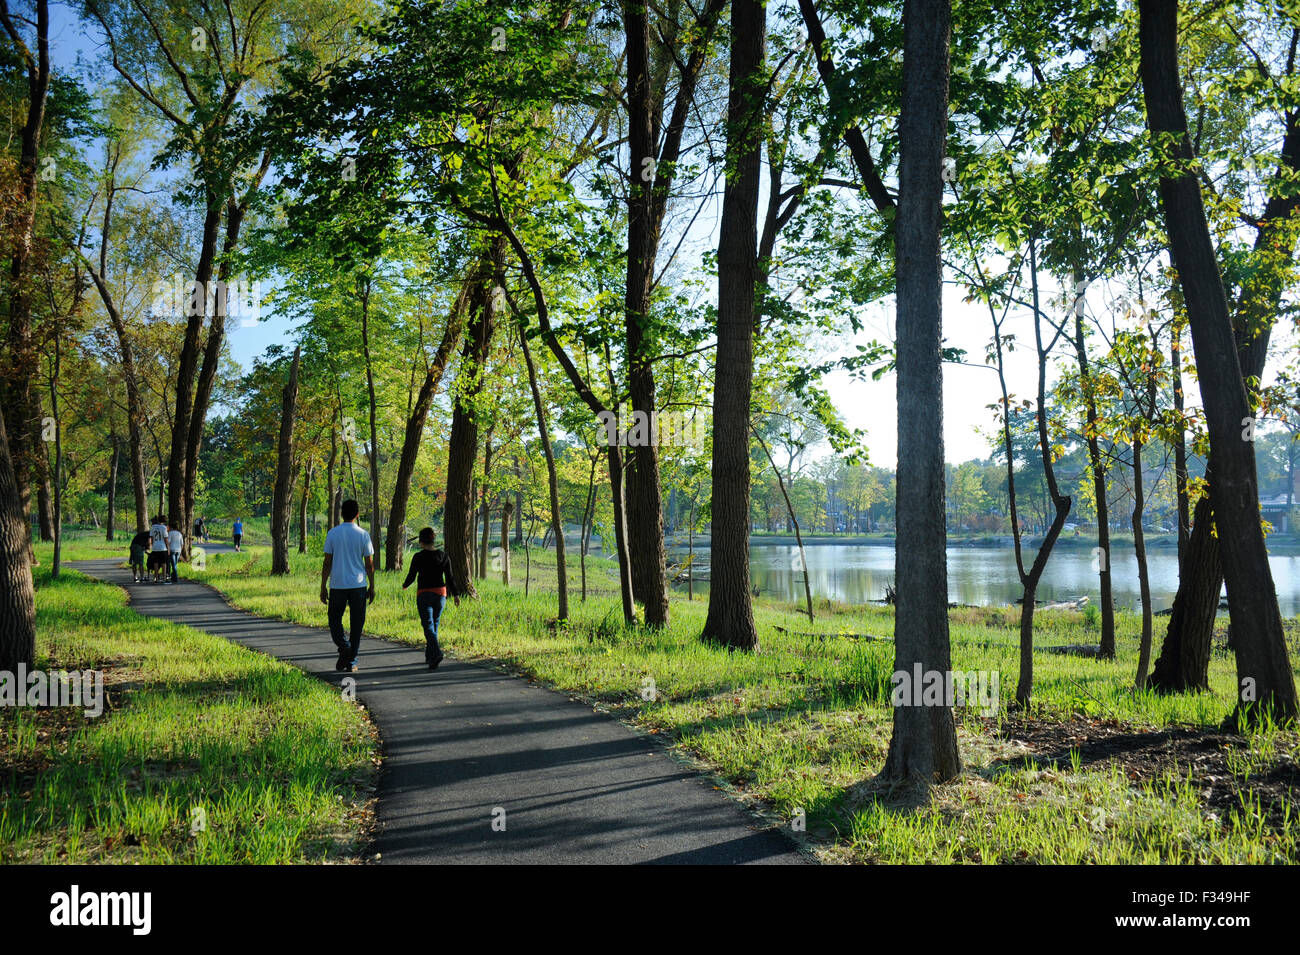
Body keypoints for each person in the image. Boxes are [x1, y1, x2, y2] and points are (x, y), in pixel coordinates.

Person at [321, 499, 375, 672]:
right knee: (357, 624)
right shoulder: (363, 534)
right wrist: (372, 586)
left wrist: (323, 585)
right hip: (358, 585)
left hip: (337, 585)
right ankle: (351, 661)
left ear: (342, 513)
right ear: (357, 514)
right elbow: (369, 564)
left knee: (334, 620)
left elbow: (327, 562)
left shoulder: (333, 533)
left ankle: (344, 647)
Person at [401, 527, 461, 670]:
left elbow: (412, 576)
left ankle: (437, 652)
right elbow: (450, 578)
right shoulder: (444, 556)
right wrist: (456, 594)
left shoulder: (418, 557)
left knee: (428, 625)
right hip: (441, 594)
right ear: (433, 540)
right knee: (434, 625)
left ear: (421, 541)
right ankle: (431, 657)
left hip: (424, 594)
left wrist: (405, 585)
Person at [148, 514, 169, 582]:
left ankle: (156, 578)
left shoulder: (153, 527)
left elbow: (151, 537)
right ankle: (164, 578)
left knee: (155, 563)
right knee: (163, 563)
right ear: (164, 521)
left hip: (155, 547)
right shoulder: (164, 528)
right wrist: (168, 548)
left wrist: (151, 545)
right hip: (163, 548)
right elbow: (166, 538)